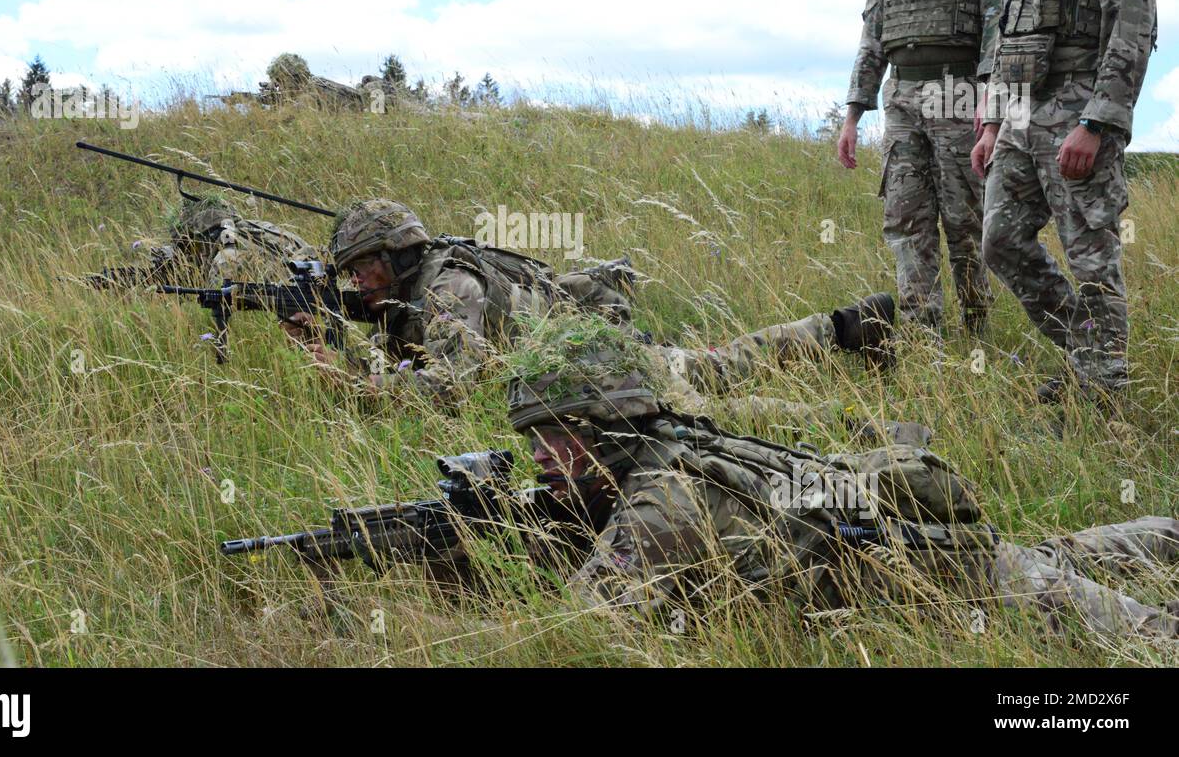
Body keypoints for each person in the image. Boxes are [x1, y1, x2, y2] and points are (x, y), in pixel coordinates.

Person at [503, 312, 1179, 639]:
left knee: (1132, 628)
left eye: (553, 434)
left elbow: (580, 631)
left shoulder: (660, 501)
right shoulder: (670, 444)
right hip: (880, 545)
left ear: (606, 427)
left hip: (922, 574)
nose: (538, 452)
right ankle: (1164, 533)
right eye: (531, 436)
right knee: (1047, 556)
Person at [280, 199, 897, 404]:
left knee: (713, 386)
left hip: (600, 368)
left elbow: (451, 387)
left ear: (393, 257)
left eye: (361, 267)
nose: (356, 281)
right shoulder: (413, 293)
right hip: (575, 372)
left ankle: (848, 340)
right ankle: (848, 333)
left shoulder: (447, 289)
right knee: (717, 373)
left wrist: (356, 381)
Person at [971, 0, 1158, 405]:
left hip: (1080, 116)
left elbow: (1129, 37)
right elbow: (1006, 41)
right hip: (1021, 123)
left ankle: (1105, 394)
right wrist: (993, 123)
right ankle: (1087, 354)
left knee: (1092, 257)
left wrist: (1097, 124)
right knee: (999, 242)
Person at [841, 0, 1010, 335]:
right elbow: (871, 43)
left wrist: (988, 99)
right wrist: (853, 116)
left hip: (958, 96)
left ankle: (978, 326)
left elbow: (1004, 31)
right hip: (901, 100)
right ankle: (922, 334)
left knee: (965, 219)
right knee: (906, 218)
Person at [86, 194, 316, 289]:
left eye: (185, 246)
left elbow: (221, 300)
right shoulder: (258, 230)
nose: (184, 254)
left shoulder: (226, 260)